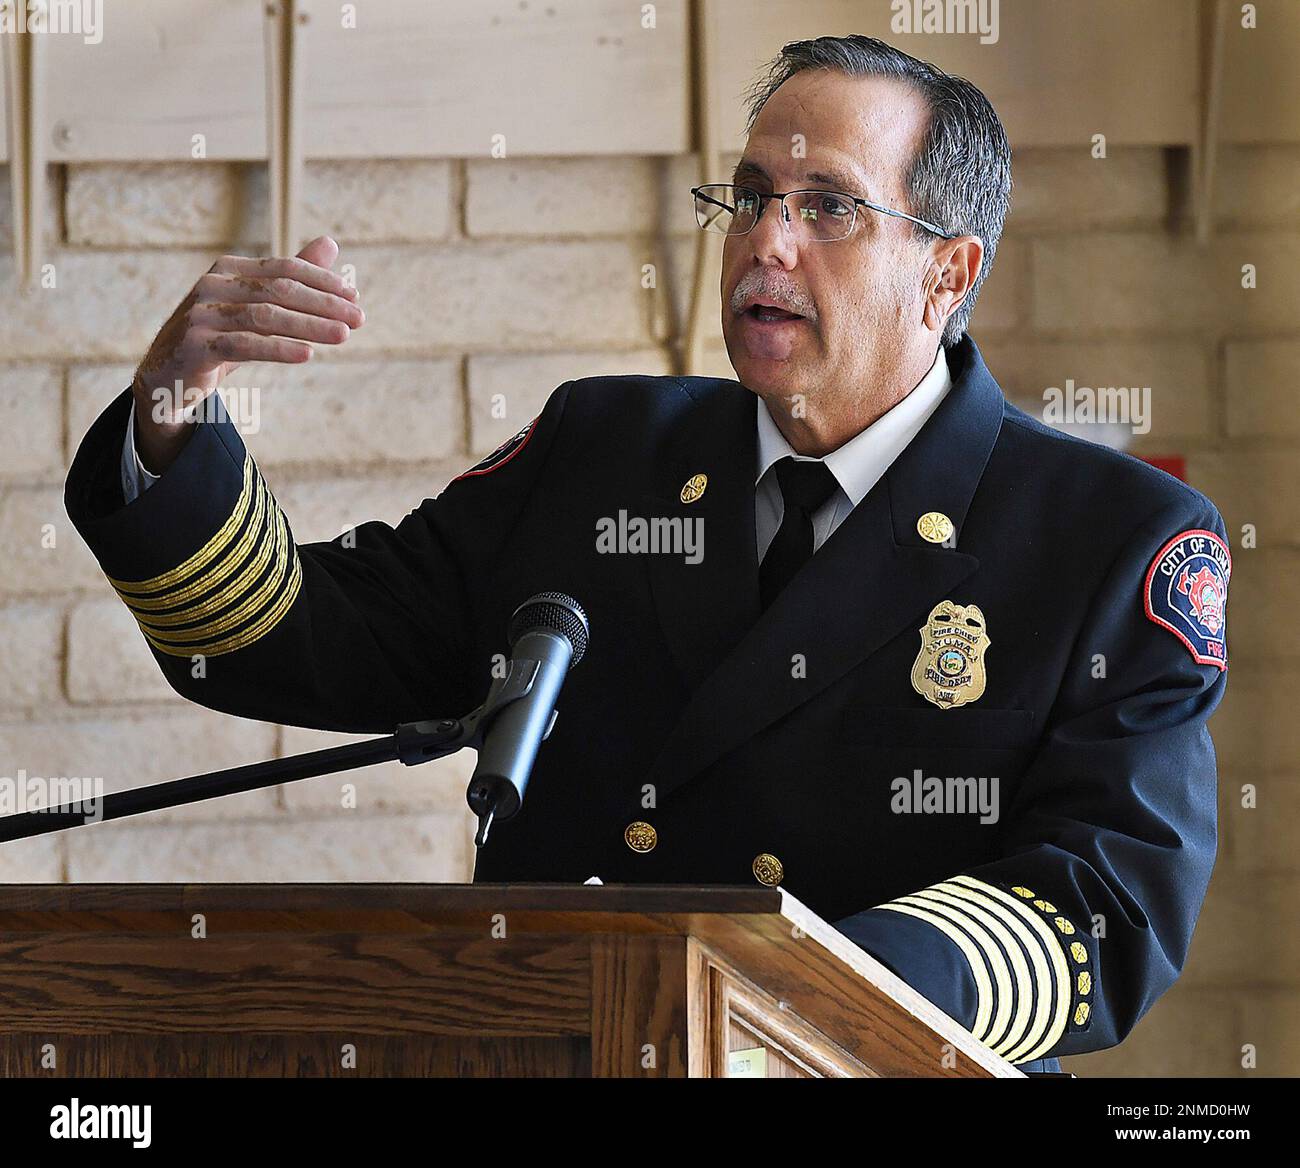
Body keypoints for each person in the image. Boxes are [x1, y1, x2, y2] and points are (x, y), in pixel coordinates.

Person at [65, 36, 1228, 1073]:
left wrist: (798, 1000)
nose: (767, 241)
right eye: (752, 194)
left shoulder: (1104, 539)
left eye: (829, 208)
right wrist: (174, 416)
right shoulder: (604, 448)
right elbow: (298, 643)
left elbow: (1101, 909)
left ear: (948, 274)